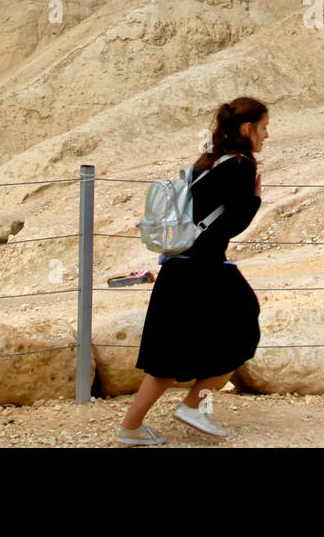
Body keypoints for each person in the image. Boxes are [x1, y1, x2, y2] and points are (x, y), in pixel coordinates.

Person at [117, 98, 269, 445]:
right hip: (207, 270)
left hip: (177, 268)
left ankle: (131, 427)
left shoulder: (208, 160)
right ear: (248, 129)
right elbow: (231, 225)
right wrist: (255, 199)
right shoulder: (242, 165)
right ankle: (193, 405)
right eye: (264, 128)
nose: (267, 135)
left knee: (167, 354)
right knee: (243, 330)